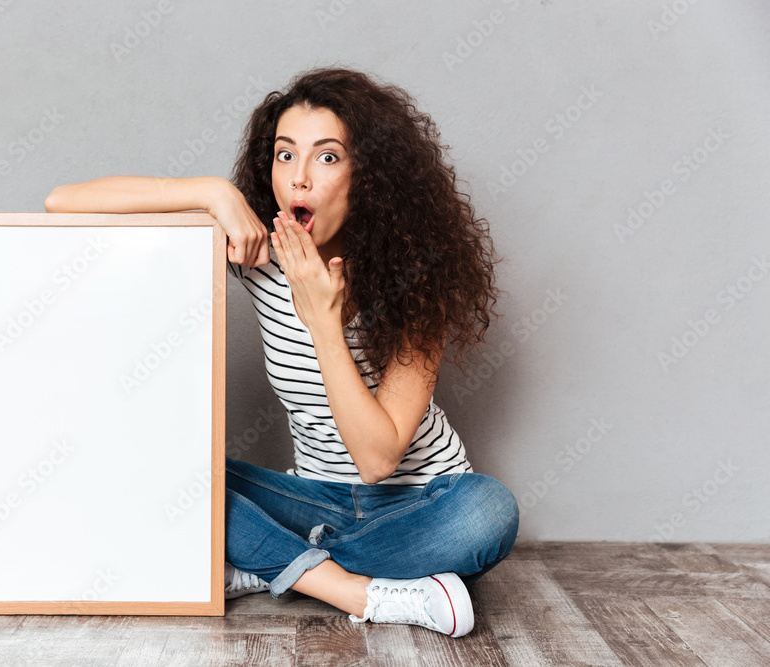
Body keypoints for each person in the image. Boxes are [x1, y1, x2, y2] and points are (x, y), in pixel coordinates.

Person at [44, 66, 519, 638]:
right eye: (285, 154)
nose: (298, 179)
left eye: (327, 157)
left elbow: (377, 460)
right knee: (153, 466)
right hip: (312, 496)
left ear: (369, 176)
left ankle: (274, 561)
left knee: (489, 513)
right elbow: (63, 202)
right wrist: (213, 193)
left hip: (422, 504)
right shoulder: (261, 255)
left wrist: (322, 322)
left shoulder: (415, 280)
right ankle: (351, 589)